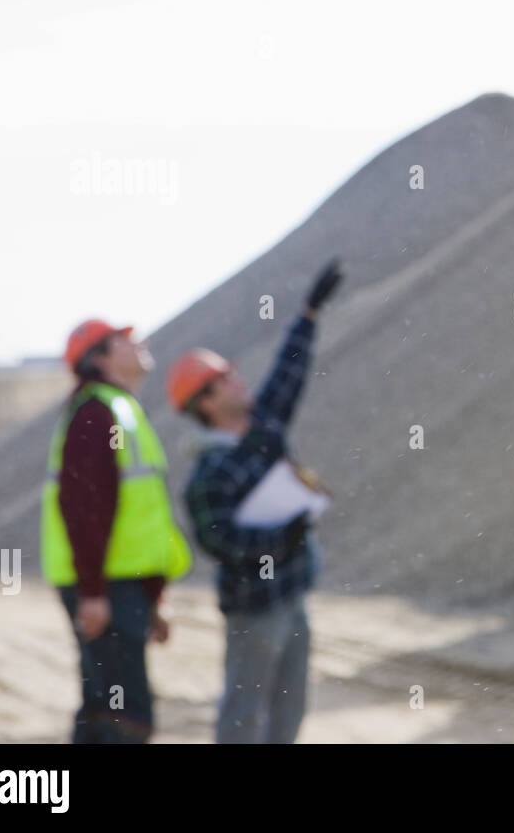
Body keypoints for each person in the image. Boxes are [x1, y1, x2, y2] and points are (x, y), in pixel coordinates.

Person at [171, 260, 342, 743]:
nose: (237, 381)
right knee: (244, 714)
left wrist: (309, 313)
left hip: (293, 593)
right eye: (224, 379)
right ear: (206, 402)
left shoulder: (263, 430)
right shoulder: (208, 475)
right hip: (254, 608)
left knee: (290, 710)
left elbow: (288, 375)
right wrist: (281, 537)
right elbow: (221, 542)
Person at [41, 319, 193, 743]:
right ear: (102, 356)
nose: (137, 342)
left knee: (105, 708)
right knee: (124, 715)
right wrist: (92, 592)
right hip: (105, 584)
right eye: (124, 339)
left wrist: (155, 594)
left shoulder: (116, 408)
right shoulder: (96, 413)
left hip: (121, 584)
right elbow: (85, 509)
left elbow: (140, 516)